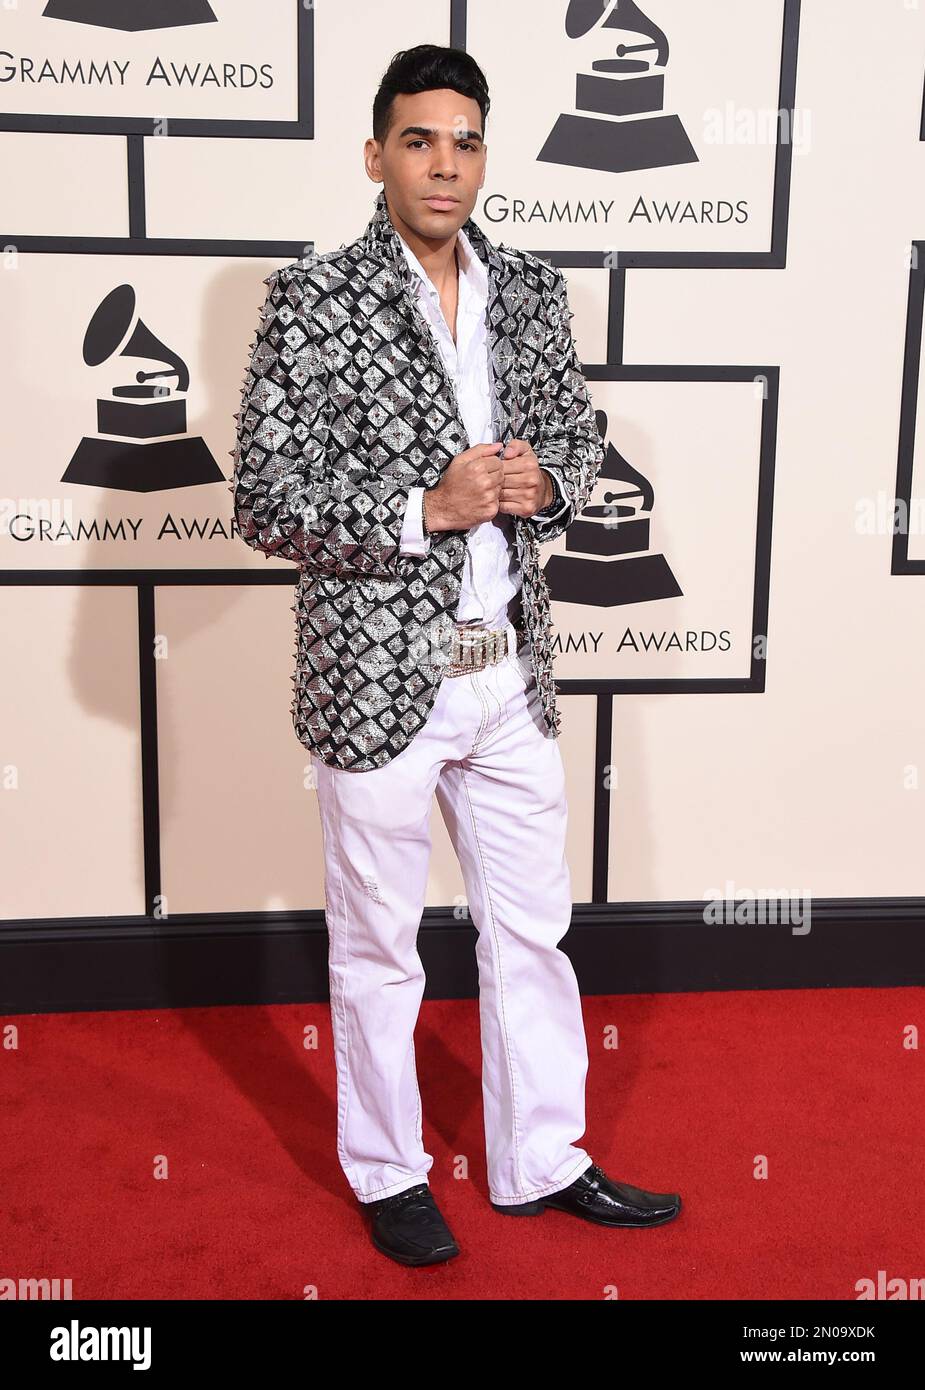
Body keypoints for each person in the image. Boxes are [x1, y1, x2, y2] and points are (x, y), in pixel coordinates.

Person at [231, 43, 681, 1267]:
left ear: (487, 155)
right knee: (378, 944)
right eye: (419, 139)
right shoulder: (313, 300)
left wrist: (554, 481)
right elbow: (263, 498)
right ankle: (387, 1172)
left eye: (466, 139)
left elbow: (580, 437)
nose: (445, 163)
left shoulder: (530, 290)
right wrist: (420, 509)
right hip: (379, 680)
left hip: (510, 676)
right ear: (374, 155)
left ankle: (543, 1155)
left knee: (531, 929)